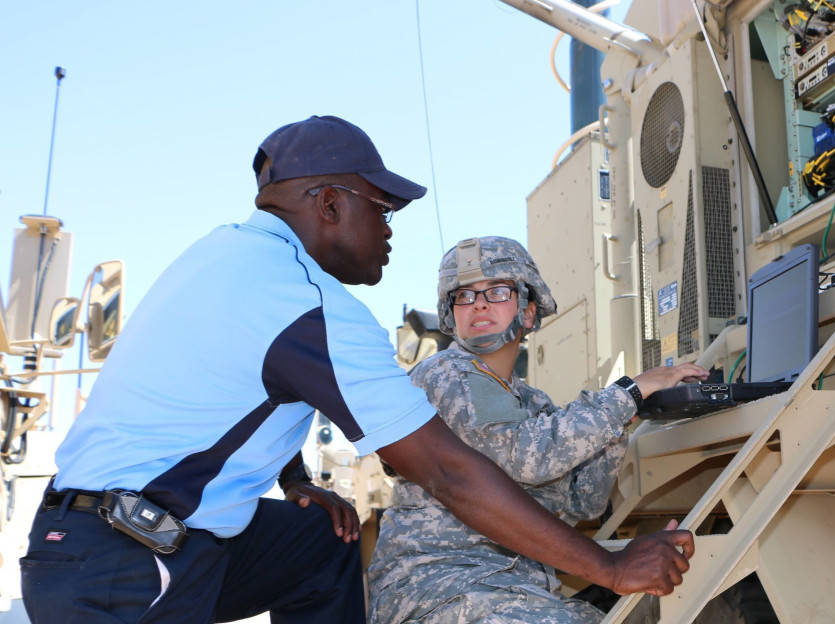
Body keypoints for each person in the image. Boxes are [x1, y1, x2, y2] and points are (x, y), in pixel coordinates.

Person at [20, 116, 695, 624]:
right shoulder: (310, 307)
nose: (393, 230)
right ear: (330, 204)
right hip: (124, 568)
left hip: (108, 539)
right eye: (384, 209)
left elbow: (225, 396)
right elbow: (451, 472)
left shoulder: (229, 258)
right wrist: (610, 565)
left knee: (323, 539)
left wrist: (296, 480)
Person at [368, 236, 709, 624]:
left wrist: (623, 419)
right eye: (463, 296)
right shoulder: (445, 374)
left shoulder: (531, 403)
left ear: (528, 314)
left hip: (505, 589)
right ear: (453, 315)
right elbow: (522, 457)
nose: (478, 303)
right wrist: (629, 392)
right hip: (441, 585)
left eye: (497, 292)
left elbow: (584, 501)